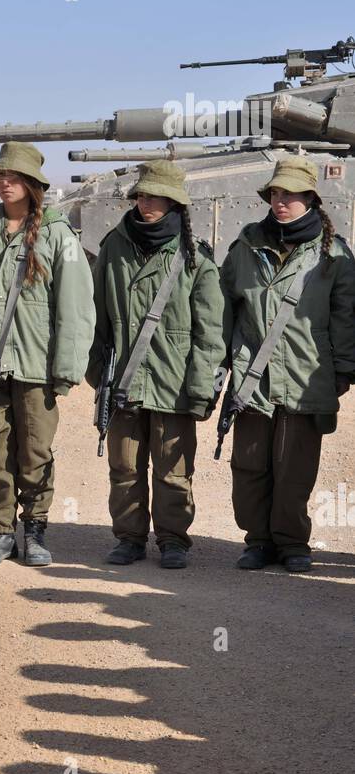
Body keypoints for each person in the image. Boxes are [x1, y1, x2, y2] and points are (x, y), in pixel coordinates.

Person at [0, 141, 94, 566]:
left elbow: (76, 309)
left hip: (36, 366)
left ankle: (36, 530)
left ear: (32, 184)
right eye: (0, 176)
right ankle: (1, 531)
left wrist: (66, 368)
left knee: (36, 452)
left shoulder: (57, 234)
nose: (5, 183)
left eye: (14, 177)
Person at [86, 162, 226, 569]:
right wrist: (99, 373)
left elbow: (210, 331)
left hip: (174, 380)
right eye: (141, 196)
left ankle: (173, 540)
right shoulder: (114, 245)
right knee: (124, 467)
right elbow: (96, 315)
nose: (145, 203)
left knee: (173, 470)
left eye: (154, 196)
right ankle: (129, 538)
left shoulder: (196, 256)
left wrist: (201, 387)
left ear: (174, 202)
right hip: (122, 378)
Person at [220, 155, 355, 573]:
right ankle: (257, 541)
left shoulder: (333, 254)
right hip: (251, 376)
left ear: (310, 198)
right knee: (249, 466)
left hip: (305, 374)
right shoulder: (246, 247)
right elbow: (225, 310)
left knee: (294, 469)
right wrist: (219, 364)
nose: (280, 202)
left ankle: (293, 542)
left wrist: (344, 369)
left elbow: (345, 315)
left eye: (290, 194)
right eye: (275, 194)